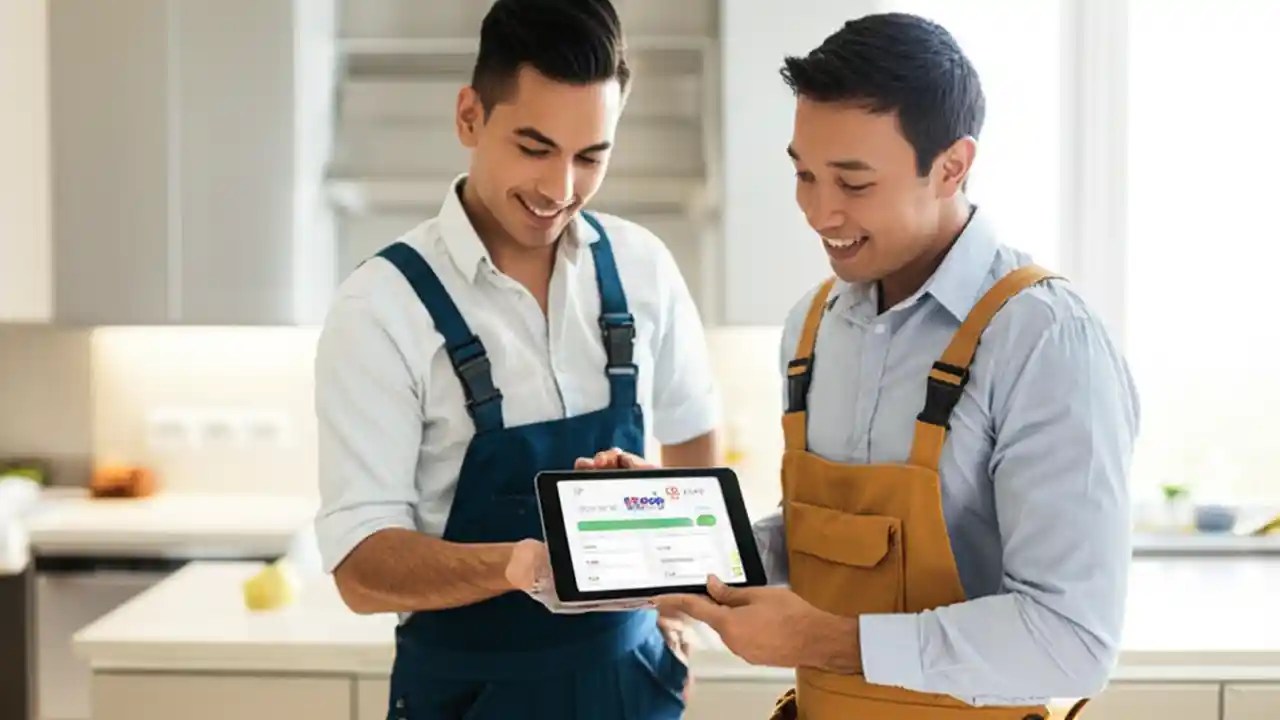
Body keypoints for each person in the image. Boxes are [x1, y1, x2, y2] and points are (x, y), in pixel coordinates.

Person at [586, 12, 1140, 720]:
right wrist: (683, 529)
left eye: (853, 183)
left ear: (952, 167)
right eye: (805, 174)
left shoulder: (1046, 341)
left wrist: (831, 641)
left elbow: (1073, 641)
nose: (820, 213)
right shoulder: (814, 326)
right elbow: (827, 543)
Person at [312, 1, 719, 718]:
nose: (559, 190)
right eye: (535, 148)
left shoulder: (643, 268)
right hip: (468, 696)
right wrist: (524, 565)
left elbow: (692, 440)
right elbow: (361, 568)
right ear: (470, 117)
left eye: (590, 157)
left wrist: (678, 611)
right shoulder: (380, 308)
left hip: (634, 685)